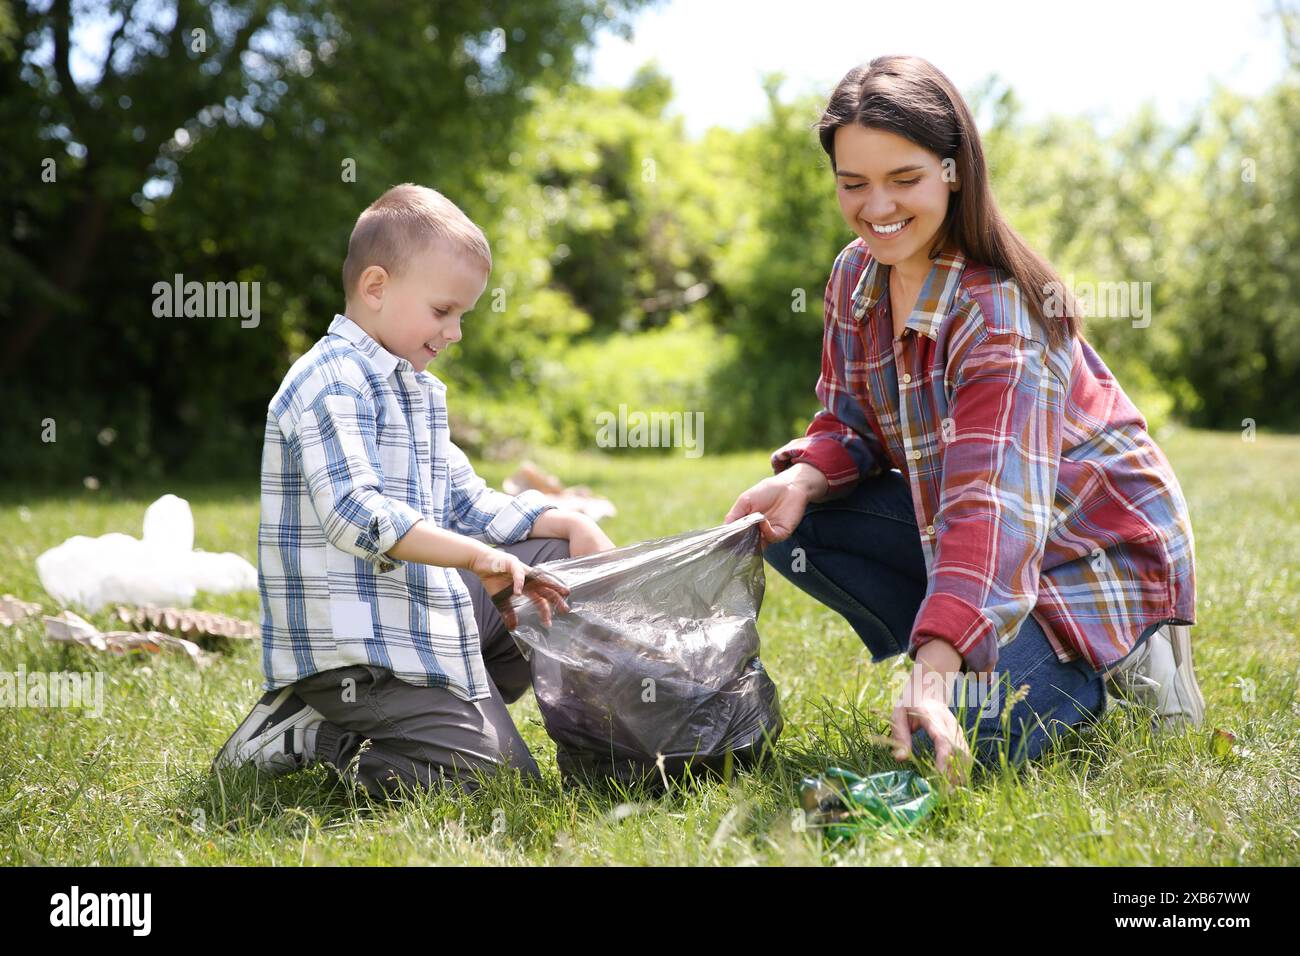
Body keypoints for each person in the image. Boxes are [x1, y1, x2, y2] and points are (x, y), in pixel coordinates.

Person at [724, 56, 1203, 787]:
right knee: (799, 526)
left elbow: (994, 509)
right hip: (968, 530)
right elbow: (849, 421)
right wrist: (812, 476)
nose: (875, 205)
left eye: (903, 179)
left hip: (1082, 554)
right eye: (853, 184)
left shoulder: (999, 315)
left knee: (968, 741)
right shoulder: (857, 275)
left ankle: (1117, 657)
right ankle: (966, 632)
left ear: (953, 170)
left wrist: (935, 672)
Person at [213, 183, 615, 798]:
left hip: (420, 621)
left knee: (553, 570)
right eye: (442, 311)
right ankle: (319, 738)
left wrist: (565, 522)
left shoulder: (417, 387)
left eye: (463, 316)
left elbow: (465, 502)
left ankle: (439, 722)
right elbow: (355, 513)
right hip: (359, 652)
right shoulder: (329, 381)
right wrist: (477, 556)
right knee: (501, 785)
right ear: (376, 288)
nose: (454, 332)